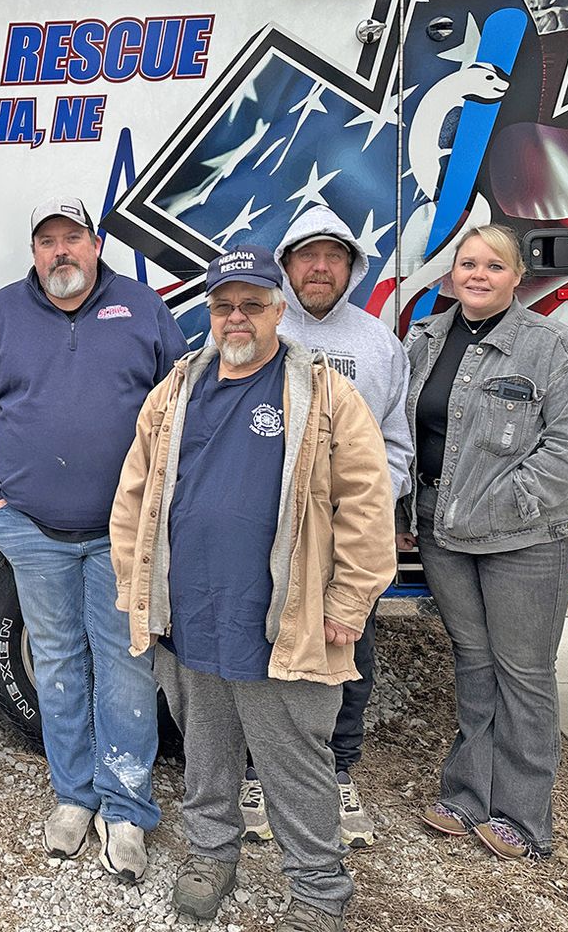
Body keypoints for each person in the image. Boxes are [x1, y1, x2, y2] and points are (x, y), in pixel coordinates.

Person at [111, 244, 395, 932]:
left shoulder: (323, 393)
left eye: (252, 304)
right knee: (205, 753)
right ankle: (212, 855)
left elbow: (367, 502)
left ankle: (320, 887)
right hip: (191, 615)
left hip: (280, 621)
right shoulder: (176, 390)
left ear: (278, 309)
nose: (236, 317)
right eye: (223, 305)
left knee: (293, 759)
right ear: (209, 313)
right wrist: (135, 590)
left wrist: (349, 601)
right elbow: (134, 494)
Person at [0, 197, 187, 882]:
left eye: (72, 238)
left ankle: (126, 807)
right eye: (47, 240)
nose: (60, 252)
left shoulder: (143, 309)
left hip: (123, 534)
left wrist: (163, 506)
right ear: (33, 251)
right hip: (32, 530)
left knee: (126, 670)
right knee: (55, 665)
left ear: (96, 242)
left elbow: (180, 408)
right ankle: (75, 796)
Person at [401, 225, 568, 860]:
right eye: (467, 264)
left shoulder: (553, 348)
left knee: (524, 673)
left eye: (494, 266)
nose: (478, 275)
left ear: (518, 278)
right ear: (450, 275)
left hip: (525, 538)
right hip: (443, 530)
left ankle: (522, 814)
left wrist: (508, 503)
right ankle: (466, 796)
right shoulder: (425, 341)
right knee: (475, 662)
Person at [231, 208, 413, 848]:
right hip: (263, 532)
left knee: (348, 649)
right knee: (261, 646)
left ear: (352, 267)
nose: (319, 267)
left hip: (341, 536)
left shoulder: (377, 344)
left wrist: (363, 511)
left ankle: (337, 772)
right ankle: (256, 772)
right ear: (285, 266)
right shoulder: (253, 333)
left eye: (333, 256)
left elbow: (396, 445)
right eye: (306, 256)